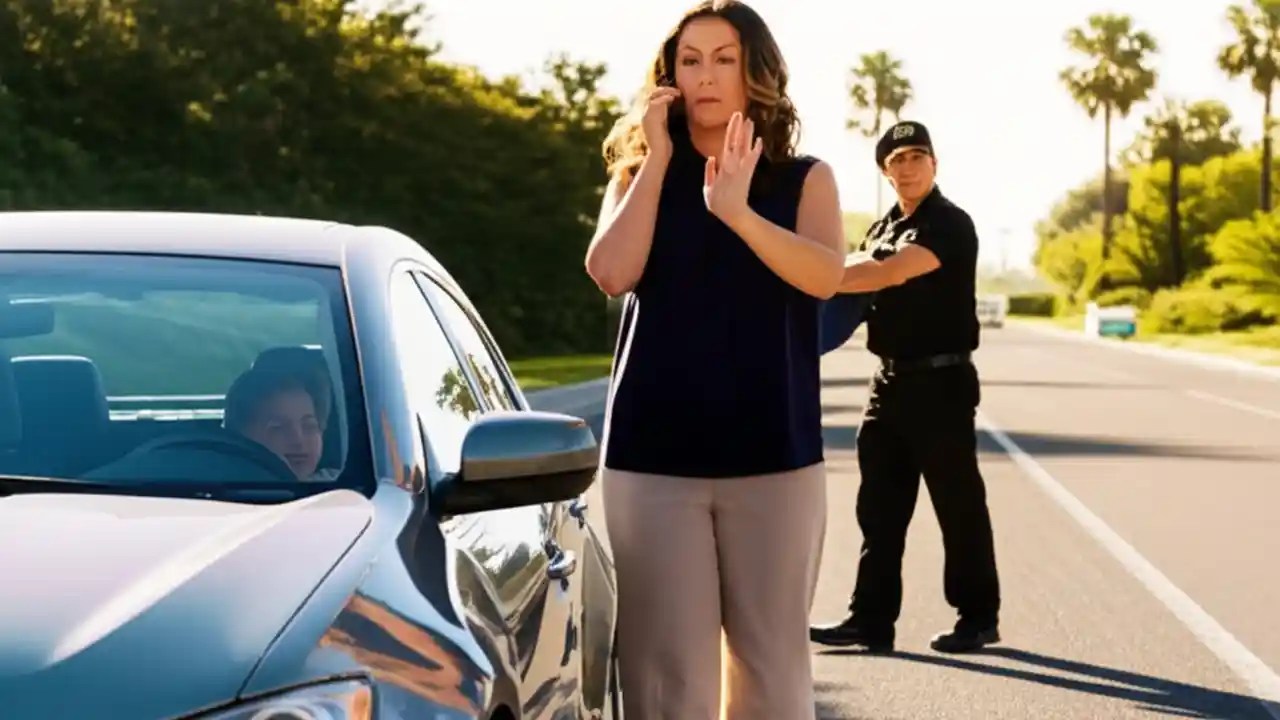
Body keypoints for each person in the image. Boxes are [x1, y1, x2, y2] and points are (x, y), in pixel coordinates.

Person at [583, 1, 845, 717]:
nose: (705, 75)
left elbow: (825, 277)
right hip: (652, 460)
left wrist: (737, 212)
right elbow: (610, 272)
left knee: (770, 665)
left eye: (723, 58)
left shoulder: (804, 179)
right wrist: (660, 160)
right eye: (689, 60)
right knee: (667, 674)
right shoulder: (639, 174)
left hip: (776, 458)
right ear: (668, 77)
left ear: (754, 71)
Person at [809, 120, 1001, 654]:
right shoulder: (879, 229)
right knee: (879, 508)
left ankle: (978, 616)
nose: (909, 166)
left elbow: (890, 273)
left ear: (934, 164)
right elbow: (851, 296)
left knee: (957, 504)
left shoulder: (950, 224)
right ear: (885, 171)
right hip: (889, 381)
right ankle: (870, 619)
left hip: (942, 382)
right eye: (898, 159)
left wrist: (809, 273)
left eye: (919, 155)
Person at [223, 366, 340, 482]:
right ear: (239, 438)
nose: (298, 440)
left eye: (309, 426)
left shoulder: (342, 489)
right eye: (278, 428)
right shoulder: (222, 491)